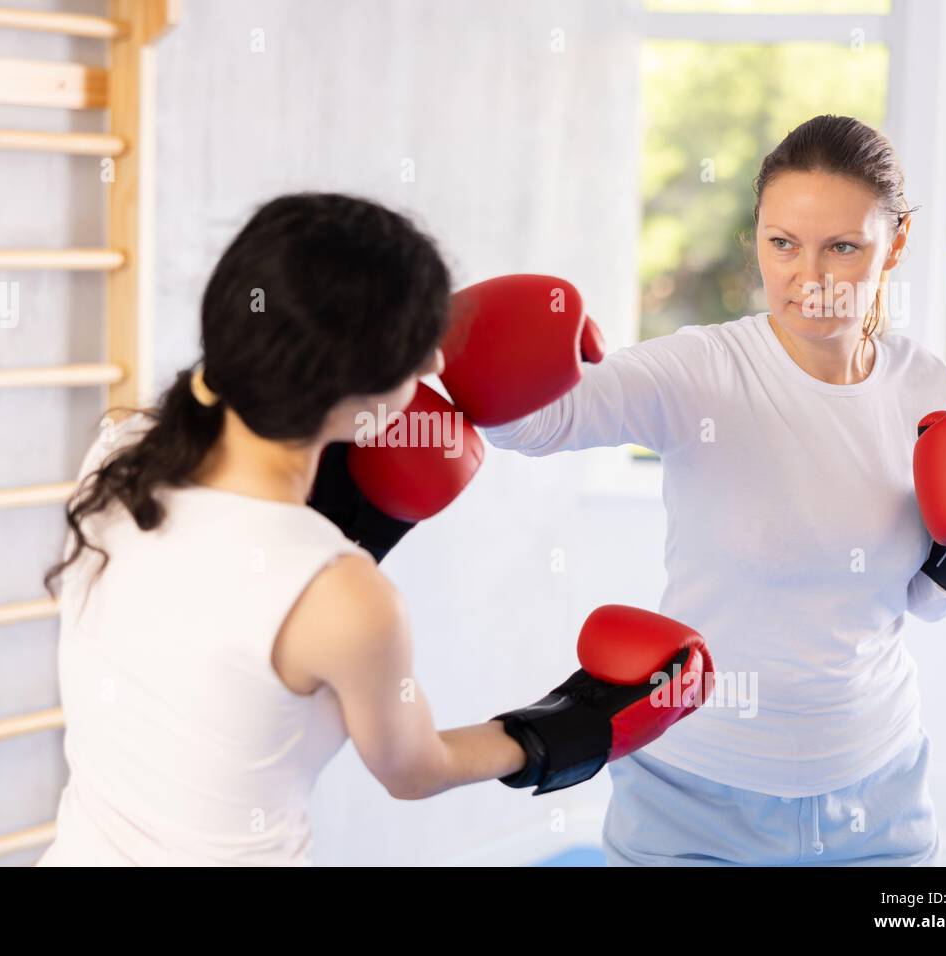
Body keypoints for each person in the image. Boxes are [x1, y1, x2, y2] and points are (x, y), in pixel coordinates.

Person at [35, 193, 708, 866]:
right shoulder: (344, 595)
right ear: (362, 388)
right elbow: (414, 769)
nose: (438, 368)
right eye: (421, 349)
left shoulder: (122, 453)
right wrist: (583, 722)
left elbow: (236, 587)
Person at [485, 114, 946, 866]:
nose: (807, 278)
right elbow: (539, 425)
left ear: (897, 244)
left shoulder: (923, 382)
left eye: (842, 247)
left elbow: (916, 603)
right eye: (782, 243)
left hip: (875, 796)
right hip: (696, 796)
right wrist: (495, 359)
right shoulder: (704, 371)